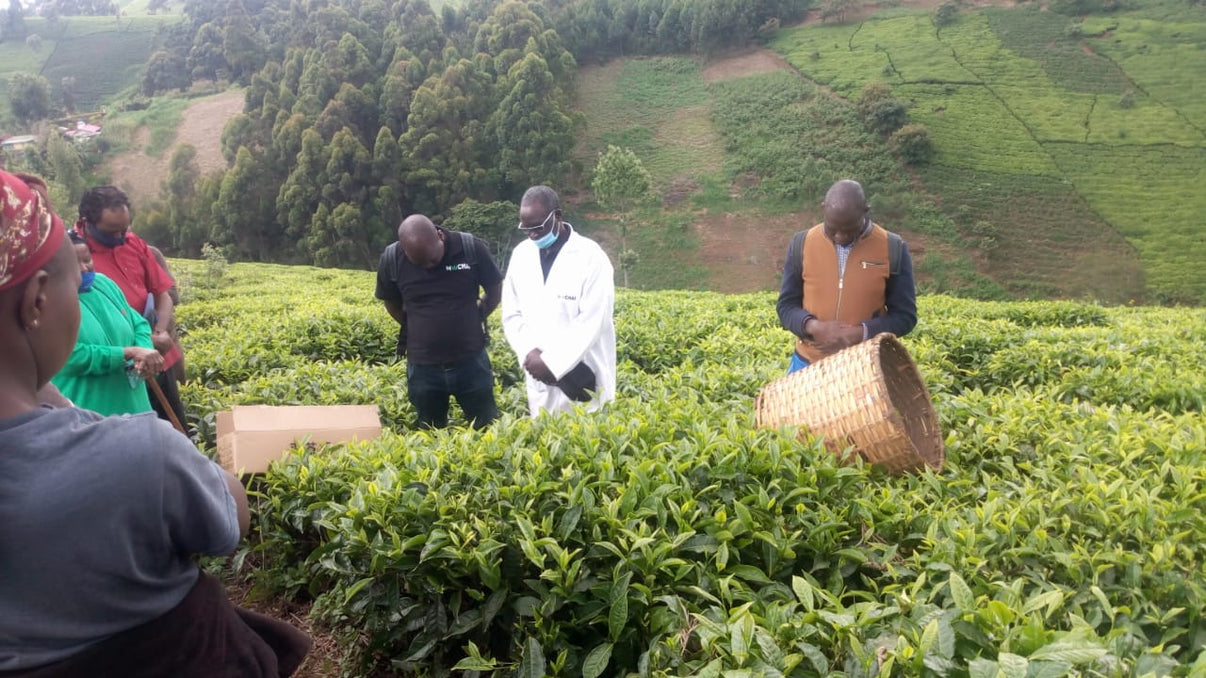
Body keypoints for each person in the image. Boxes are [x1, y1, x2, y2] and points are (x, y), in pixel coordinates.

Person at [0, 169, 310, 676]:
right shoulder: (137, 454)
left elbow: (146, 306)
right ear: (38, 298)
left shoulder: (121, 273)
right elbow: (228, 523)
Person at [75, 186, 188, 429]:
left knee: (172, 425)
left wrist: (157, 333)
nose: (120, 237)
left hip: (152, 352)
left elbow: (162, 293)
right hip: (113, 368)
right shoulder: (72, 257)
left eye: (124, 229)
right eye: (111, 232)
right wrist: (129, 351)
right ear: (85, 223)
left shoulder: (133, 243)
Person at [375, 214, 503, 429]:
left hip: (471, 361)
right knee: (430, 429)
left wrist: (475, 317)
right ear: (404, 251)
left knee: (487, 425)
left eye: (432, 259)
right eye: (419, 263)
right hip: (423, 368)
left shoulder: (471, 248)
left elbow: (494, 290)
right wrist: (418, 326)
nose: (428, 266)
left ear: (440, 236)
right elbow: (391, 303)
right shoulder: (392, 259)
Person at [776, 179, 917, 373]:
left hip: (864, 368)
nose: (840, 237)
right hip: (807, 364)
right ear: (823, 210)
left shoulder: (893, 247)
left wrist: (859, 333)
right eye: (832, 229)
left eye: (849, 230)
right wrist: (814, 327)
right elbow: (786, 306)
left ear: (865, 212)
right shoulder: (802, 243)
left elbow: (905, 317)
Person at [501, 185, 616, 417]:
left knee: (589, 442)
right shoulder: (521, 255)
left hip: (583, 376)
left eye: (538, 227)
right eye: (527, 229)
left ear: (558, 216)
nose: (533, 235)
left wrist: (553, 363)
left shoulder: (590, 258)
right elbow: (512, 314)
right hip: (539, 380)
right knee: (547, 442)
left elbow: (593, 321)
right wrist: (528, 353)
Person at [49, 231, 162, 416]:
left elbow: (138, 323)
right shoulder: (50, 302)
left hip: (136, 410)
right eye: (75, 264)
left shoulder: (104, 284)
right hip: (90, 416)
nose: (85, 268)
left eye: (87, 260)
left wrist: (143, 351)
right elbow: (70, 357)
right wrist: (125, 354)